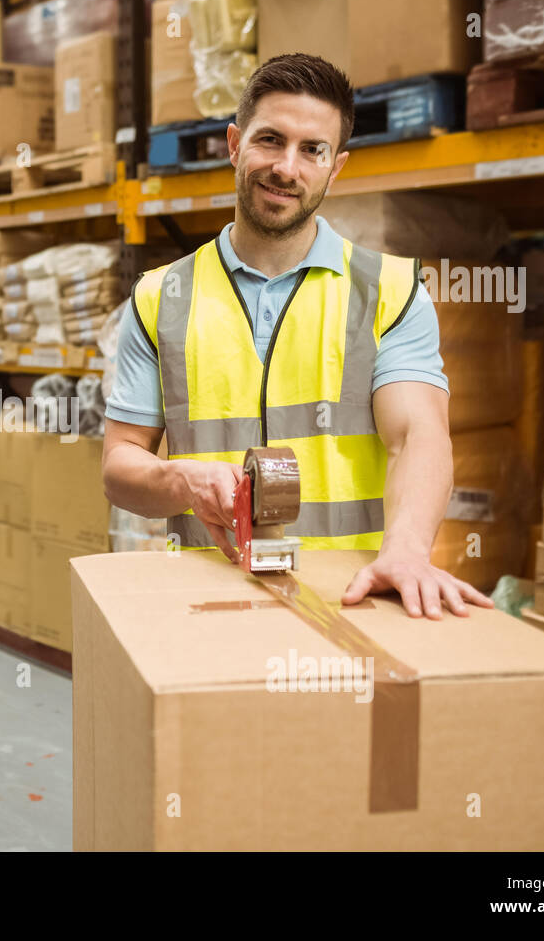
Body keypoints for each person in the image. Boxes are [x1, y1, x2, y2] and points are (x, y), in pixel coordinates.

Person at [102, 53, 495, 621]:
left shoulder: (390, 291)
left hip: (351, 599)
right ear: (234, 145)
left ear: (336, 168)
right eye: (270, 140)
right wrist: (180, 478)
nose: (287, 168)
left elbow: (418, 436)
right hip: (207, 600)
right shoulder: (161, 296)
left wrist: (407, 551)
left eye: (313, 150)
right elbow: (121, 465)